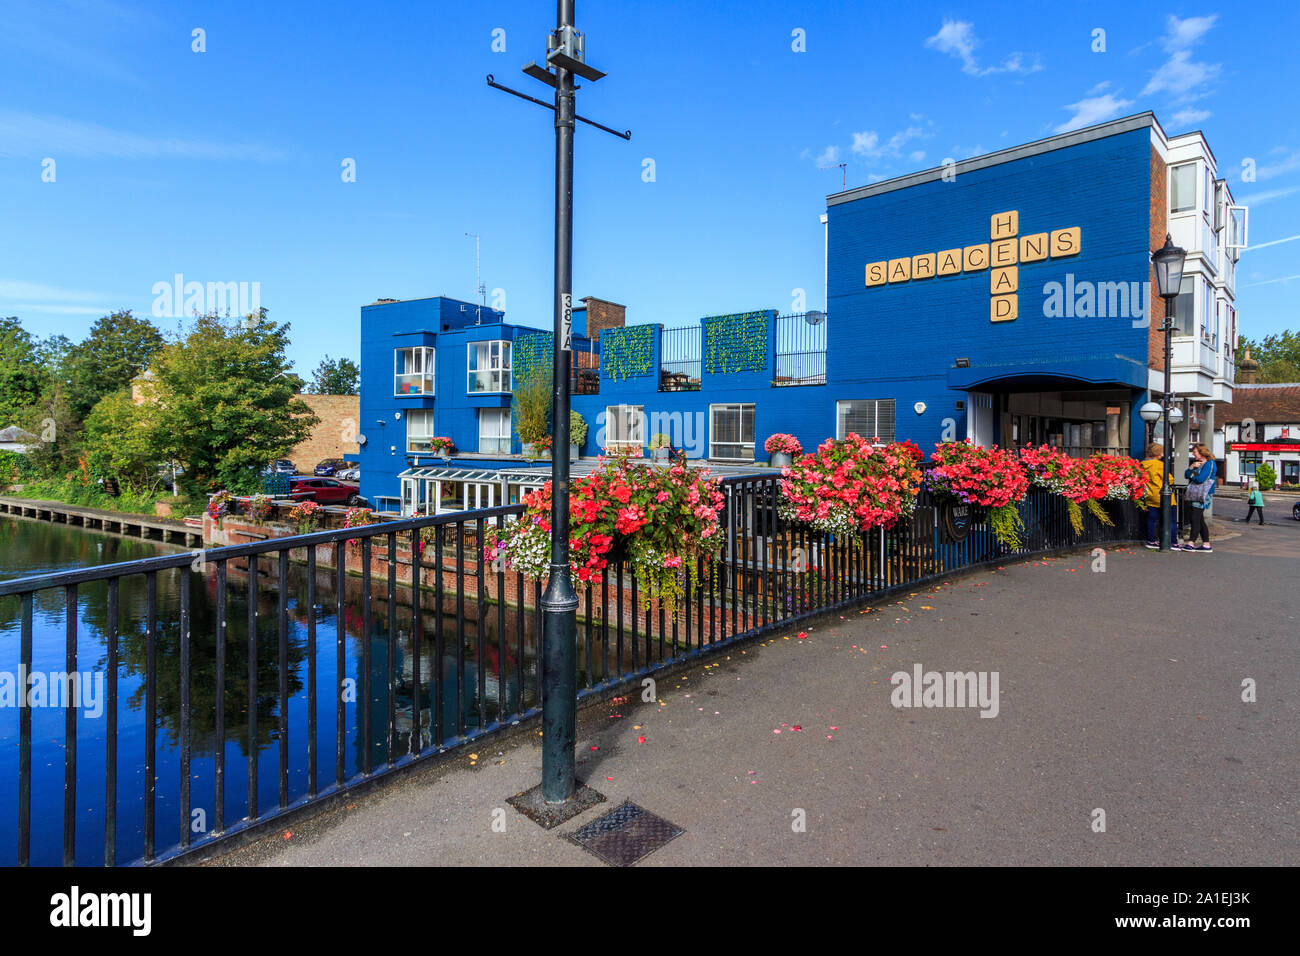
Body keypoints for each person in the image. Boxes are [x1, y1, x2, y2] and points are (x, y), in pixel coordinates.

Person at [1179, 443, 1217, 552]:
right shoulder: (1198, 463)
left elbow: (1201, 479)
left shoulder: (1210, 464)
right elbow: (1186, 475)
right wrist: (1191, 467)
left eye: (1195, 452)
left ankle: (1191, 543)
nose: (1193, 454)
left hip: (1204, 494)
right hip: (1197, 493)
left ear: (1201, 452)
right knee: (1199, 520)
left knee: (1195, 518)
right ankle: (1206, 544)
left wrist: (1192, 475)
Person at [1140, 443, 1176, 549]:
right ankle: (1173, 542)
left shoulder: (1143, 464)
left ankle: (1151, 541)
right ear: (1159, 453)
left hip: (1149, 495)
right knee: (1171, 520)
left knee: (1151, 519)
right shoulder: (1159, 465)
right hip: (1162, 495)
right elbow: (1170, 479)